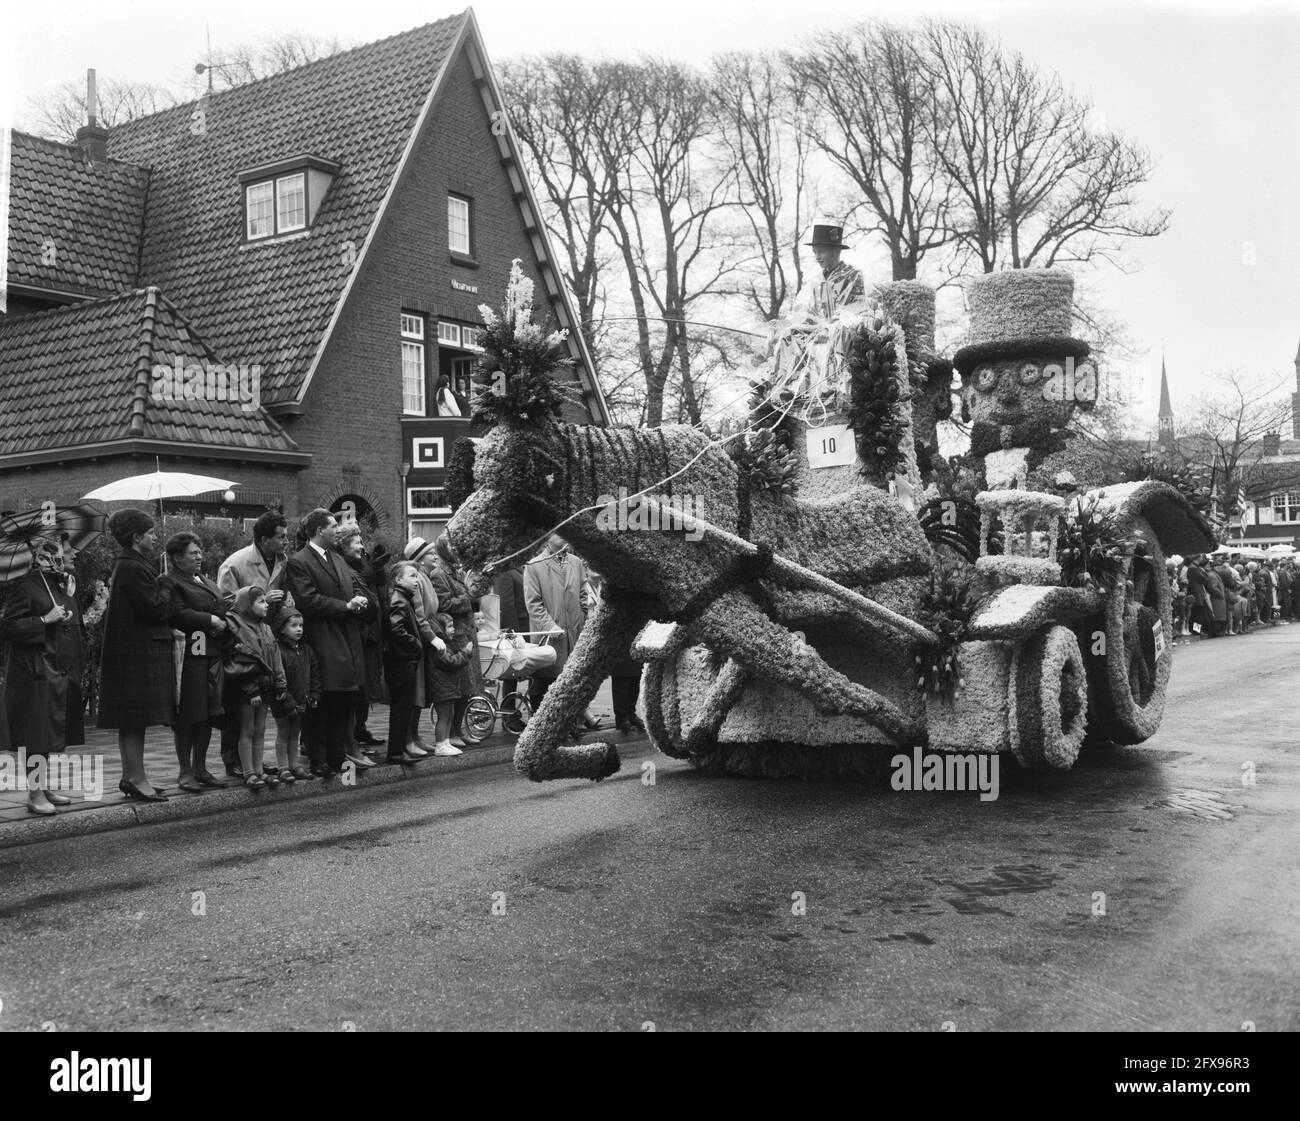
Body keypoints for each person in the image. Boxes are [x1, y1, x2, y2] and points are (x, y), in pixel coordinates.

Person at [283, 508, 376, 777]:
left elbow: (351, 588)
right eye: (333, 526)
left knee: (342, 700)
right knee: (321, 701)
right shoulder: (299, 562)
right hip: (322, 639)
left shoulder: (337, 558)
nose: (338, 530)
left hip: (346, 639)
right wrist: (345, 605)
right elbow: (307, 600)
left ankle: (338, 756)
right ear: (318, 531)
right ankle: (318, 757)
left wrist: (359, 600)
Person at [1, 535, 85, 814]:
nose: (73, 556)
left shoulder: (61, 587)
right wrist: (43, 620)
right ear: (50, 555)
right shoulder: (25, 586)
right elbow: (9, 627)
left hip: (58, 670)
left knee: (48, 735)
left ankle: (44, 787)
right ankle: (35, 794)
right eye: (68, 552)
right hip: (35, 672)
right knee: (36, 735)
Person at [97, 508, 174, 801]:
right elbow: (155, 609)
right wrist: (166, 584)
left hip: (130, 653)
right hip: (136, 655)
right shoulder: (132, 567)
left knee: (132, 719)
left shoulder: (130, 564)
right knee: (134, 719)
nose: (155, 538)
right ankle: (136, 778)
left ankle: (132, 776)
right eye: (151, 533)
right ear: (136, 536)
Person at [216, 511, 296, 777]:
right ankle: (234, 761)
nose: (286, 541)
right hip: (244, 649)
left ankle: (256, 763)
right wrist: (258, 601)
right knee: (240, 710)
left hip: (271, 642)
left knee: (263, 710)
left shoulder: (283, 561)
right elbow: (226, 606)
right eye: (281, 537)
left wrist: (286, 603)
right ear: (264, 540)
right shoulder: (235, 564)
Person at [160, 531, 229, 792]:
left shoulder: (204, 580)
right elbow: (176, 613)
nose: (199, 556)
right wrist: (209, 620)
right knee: (189, 713)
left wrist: (223, 614)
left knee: (208, 712)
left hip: (211, 652)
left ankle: (201, 767)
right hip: (189, 655)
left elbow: (218, 602)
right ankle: (185, 771)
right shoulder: (169, 582)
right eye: (193, 552)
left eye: (200, 551)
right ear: (177, 558)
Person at [523, 534, 599, 735]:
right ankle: (544, 728)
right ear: (548, 539)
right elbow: (534, 603)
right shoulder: (534, 566)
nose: (566, 537)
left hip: (574, 630)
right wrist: (550, 626)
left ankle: (570, 724)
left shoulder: (576, 562)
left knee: (572, 681)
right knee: (548, 683)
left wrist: (587, 617)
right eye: (560, 533)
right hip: (549, 636)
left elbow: (583, 593)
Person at [224, 586, 287, 788]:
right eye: (260, 601)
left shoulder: (266, 628)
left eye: (265, 601)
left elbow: (275, 658)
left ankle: (259, 770)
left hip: (266, 688)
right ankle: (248, 772)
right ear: (247, 605)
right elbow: (240, 660)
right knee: (247, 729)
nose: (266, 604)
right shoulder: (237, 627)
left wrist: (280, 683)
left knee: (260, 729)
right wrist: (251, 689)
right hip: (248, 691)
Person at [336, 525, 389, 749]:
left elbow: (377, 585)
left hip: (372, 633)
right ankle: (350, 737)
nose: (361, 546)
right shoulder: (343, 567)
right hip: (359, 633)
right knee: (357, 687)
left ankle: (361, 728)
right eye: (356, 542)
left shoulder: (360, 562)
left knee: (367, 685)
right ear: (343, 544)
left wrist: (378, 570)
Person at [428, 533, 480, 748]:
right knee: (458, 688)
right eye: (452, 546)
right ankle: (451, 733)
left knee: (468, 688)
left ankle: (460, 729)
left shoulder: (458, 571)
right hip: (455, 636)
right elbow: (444, 605)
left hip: (467, 633)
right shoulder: (439, 574)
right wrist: (468, 597)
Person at [586, 569, 644, 734]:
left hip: (636, 631)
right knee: (622, 678)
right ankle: (622, 717)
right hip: (619, 633)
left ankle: (632, 714)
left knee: (635, 677)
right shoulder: (612, 583)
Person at [383, 560, 430, 764]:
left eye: (417, 575)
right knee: (402, 708)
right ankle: (396, 752)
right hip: (401, 661)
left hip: (403, 660)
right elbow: (396, 629)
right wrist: (415, 645)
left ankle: (399, 749)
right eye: (412, 575)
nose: (417, 580)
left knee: (403, 707)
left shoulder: (403, 597)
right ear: (398, 579)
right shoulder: (399, 599)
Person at [403, 537, 446, 753]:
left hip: (425, 638)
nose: (435, 556)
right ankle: (408, 739)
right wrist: (432, 637)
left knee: (420, 692)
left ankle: (416, 735)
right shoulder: (416, 579)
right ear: (420, 558)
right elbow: (420, 615)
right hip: (417, 640)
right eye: (431, 553)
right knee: (414, 692)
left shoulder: (425, 577)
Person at [270, 610, 318, 782]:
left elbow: (314, 675)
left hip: (301, 699)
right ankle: (283, 767)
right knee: (283, 732)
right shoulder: (278, 650)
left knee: (295, 733)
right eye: (293, 626)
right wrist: (286, 699)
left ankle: (294, 765)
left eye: (301, 625)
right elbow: (278, 676)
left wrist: (313, 695)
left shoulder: (306, 650)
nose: (299, 629)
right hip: (283, 700)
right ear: (282, 629)